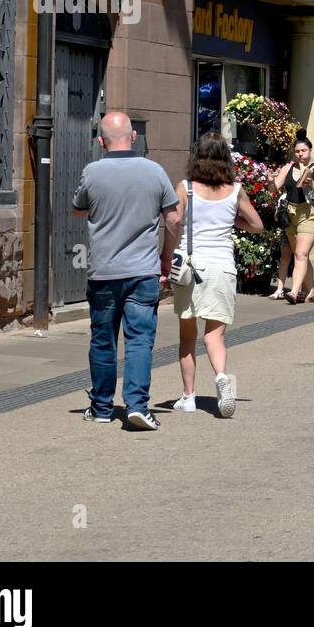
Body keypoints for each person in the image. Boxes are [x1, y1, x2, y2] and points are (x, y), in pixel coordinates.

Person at [72, 112, 181, 431]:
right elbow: (173, 219)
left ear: (101, 141)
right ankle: (137, 405)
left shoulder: (92, 172)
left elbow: (78, 208)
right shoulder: (154, 171)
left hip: (103, 272)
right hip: (142, 272)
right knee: (139, 340)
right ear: (134, 137)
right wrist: (166, 257)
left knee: (103, 341)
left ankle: (102, 407)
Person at [171, 133, 265, 417]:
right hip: (223, 266)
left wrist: (166, 257)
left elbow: (174, 223)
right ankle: (222, 377)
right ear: (225, 157)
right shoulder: (235, 190)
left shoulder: (185, 188)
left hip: (192, 267)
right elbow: (258, 225)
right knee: (215, 336)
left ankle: (188, 397)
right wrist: (234, 221)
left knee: (188, 336)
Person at [271, 131, 314, 304]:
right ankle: (310, 289)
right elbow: (273, 189)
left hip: (311, 214)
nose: (300, 154)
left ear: (310, 151)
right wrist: (269, 181)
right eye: (297, 151)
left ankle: (294, 292)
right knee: (300, 255)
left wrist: (311, 182)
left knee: (301, 254)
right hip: (291, 215)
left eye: (303, 151)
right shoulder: (288, 168)